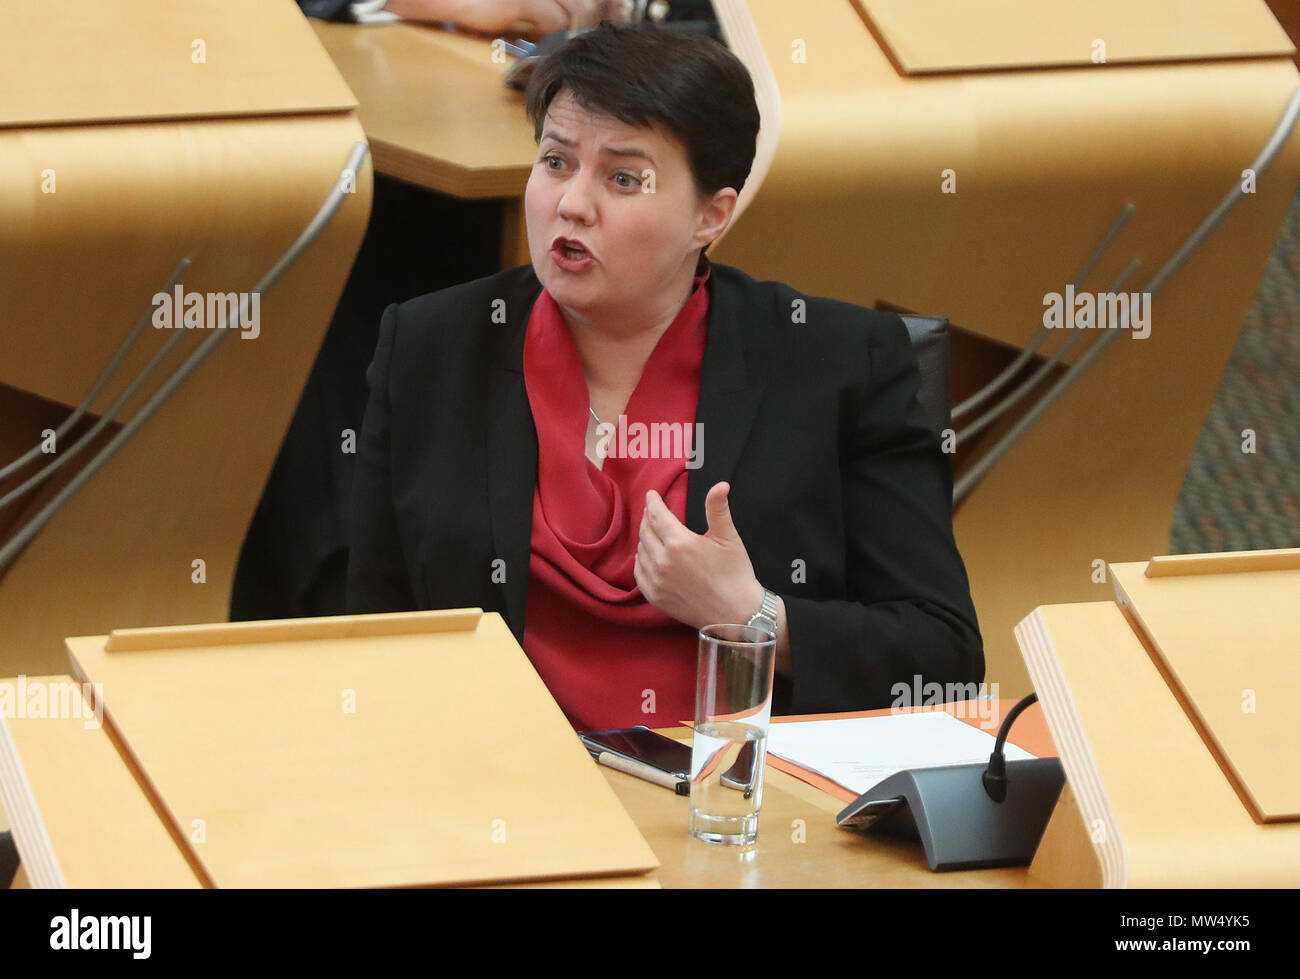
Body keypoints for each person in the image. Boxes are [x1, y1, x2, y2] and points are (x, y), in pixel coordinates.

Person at [346, 21, 983, 730]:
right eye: (556, 162)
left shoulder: (839, 363)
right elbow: (372, 640)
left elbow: (943, 657)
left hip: (740, 806)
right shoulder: (431, 347)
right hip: (498, 794)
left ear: (711, 216)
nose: (573, 203)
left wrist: (754, 615)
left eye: (624, 177)